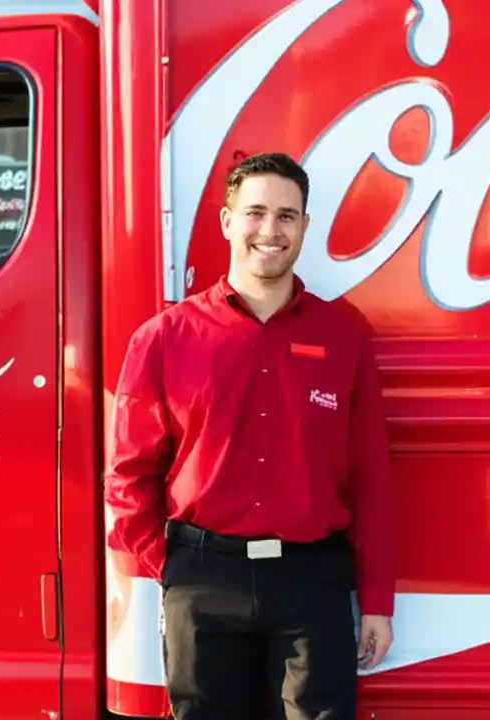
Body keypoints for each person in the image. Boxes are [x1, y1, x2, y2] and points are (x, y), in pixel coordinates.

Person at [104, 152, 396, 720]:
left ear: (305, 226)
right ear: (227, 221)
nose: (270, 230)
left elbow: (372, 480)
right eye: (255, 213)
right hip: (203, 578)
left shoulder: (343, 337)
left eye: (286, 216)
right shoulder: (164, 338)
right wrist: (175, 569)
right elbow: (127, 474)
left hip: (312, 580)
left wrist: (377, 601)